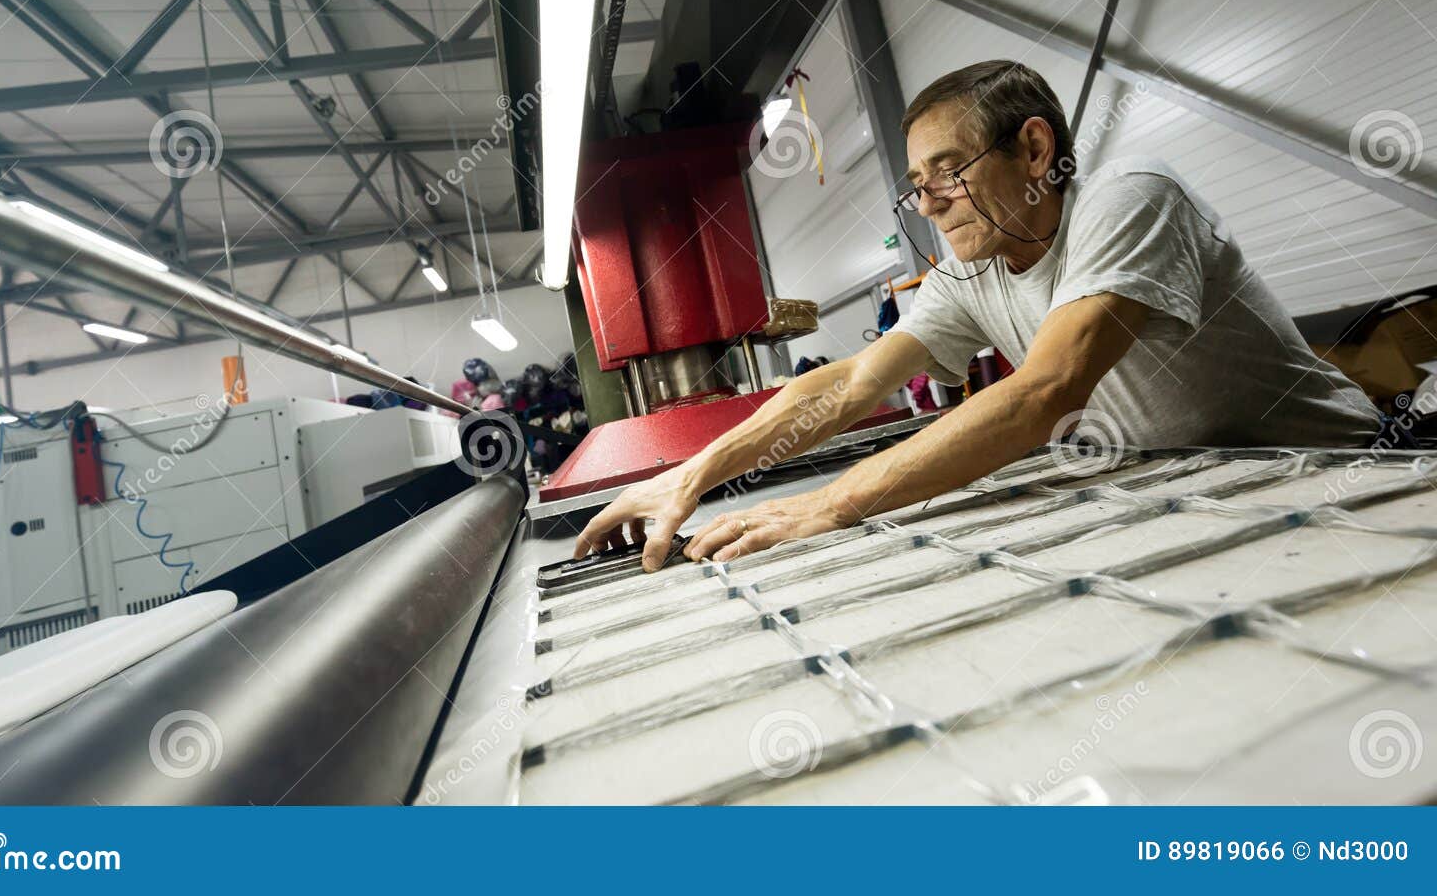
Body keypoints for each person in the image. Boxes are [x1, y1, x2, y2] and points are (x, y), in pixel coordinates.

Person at [575, 60, 1382, 572]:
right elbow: (851, 382)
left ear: (1034, 150)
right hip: (1218, 492)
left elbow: (1047, 390)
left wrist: (831, 502)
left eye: (948, 171)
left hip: (1353, 473)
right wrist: (692, 474)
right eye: (915, 184)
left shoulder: (1128, 196)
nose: (927, 203)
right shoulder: (971, 270)